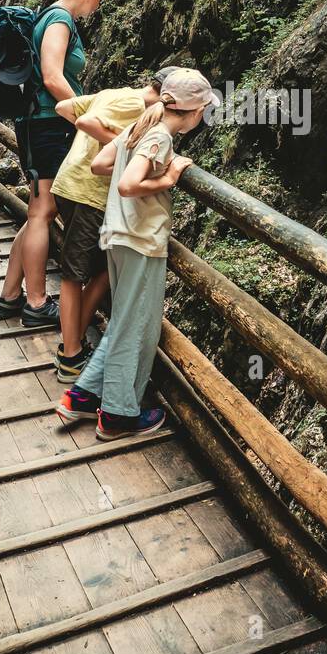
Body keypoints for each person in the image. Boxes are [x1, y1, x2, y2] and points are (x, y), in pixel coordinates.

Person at [56, 67, 218, 438]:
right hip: (140, 239)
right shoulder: (160, 137)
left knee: (126, 320)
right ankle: (117, 415)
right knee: (138, 328)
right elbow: (130, 185)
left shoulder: (139, 125)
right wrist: (170, 177)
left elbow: (100, 164)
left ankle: (83, 396)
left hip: (116, 234)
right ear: (193, 112)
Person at [0, 0, 107, 328]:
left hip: (41, 123)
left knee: (38, 212)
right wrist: (88, 113)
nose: (96, 9)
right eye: (98, 1)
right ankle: (37, 303)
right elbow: (52, 76)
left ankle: (11, 295)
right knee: (44, 211)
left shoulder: (52, 16)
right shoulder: (60, 20)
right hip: (49, 124)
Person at [50, 67, 178, 382]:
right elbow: (84, 121)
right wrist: (126, 148)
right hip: (88, 193)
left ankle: (73, 340)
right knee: (75, 274)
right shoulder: (135, 105)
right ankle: (70, 356)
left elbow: (65, 108)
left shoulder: (115, 94)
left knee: (100, 271)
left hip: (71, 183)